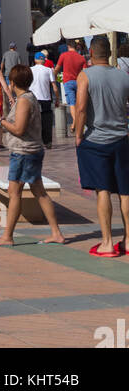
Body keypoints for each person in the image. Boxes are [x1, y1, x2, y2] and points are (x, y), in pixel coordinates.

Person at [0, 65, 67, 248]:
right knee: (40, 192)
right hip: (32, 151)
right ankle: (56, 233)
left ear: (12, 83)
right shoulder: (29, 98)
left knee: (14, 193)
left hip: (24, 153)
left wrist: (0, 120)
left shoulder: (24, 101)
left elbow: (19, 129)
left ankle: (7, 236)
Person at [74, 33, 129, 257]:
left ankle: (107, 243)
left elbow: (80, 107)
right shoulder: (123, 76)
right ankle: (128, 240)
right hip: (121, 139)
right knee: (125, 192)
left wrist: (78, 135)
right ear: (109, 53)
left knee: (103, 189)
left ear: (91, 53)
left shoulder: (85, 75)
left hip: (96, 140)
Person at [55, 39, 88, 132]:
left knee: (72, 104)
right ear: (76, 46)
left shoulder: (63, 55)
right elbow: (85, 72)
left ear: (68, 46)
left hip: (68, 82)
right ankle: (74, 124)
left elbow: (57, 68)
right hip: (78, 82)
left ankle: (76, 121)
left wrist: (53, 77)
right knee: (78, 103)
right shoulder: (81, 58)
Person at [30, 52, 58, 149]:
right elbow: (54, 87)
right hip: (46, 98)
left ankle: (35, 141)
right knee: (47, 121)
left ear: (35, 60)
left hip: (32, 98)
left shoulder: (30, 70)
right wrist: (57, 99)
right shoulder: (49, 70)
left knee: (33, 120)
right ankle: (47, 141)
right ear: (44, 60)